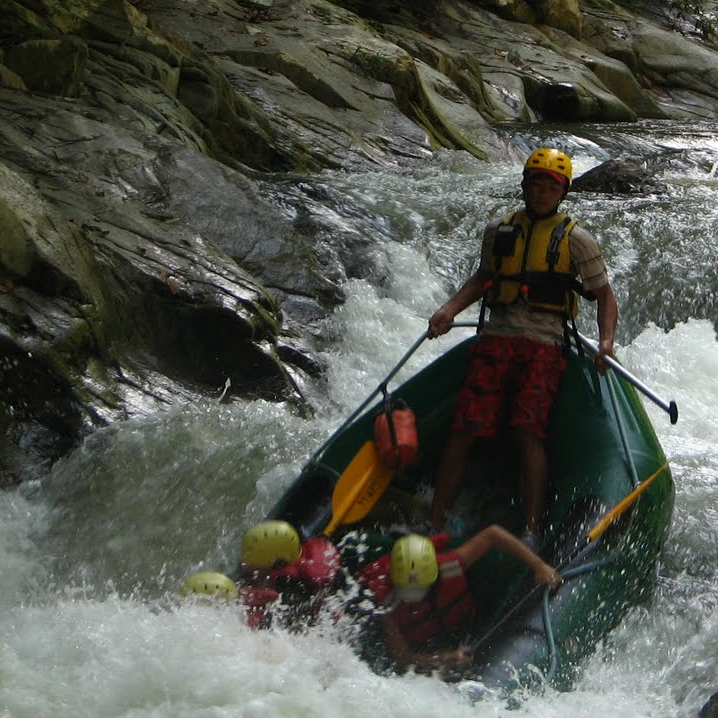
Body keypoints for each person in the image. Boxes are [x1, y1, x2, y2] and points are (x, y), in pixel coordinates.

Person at [425, 147, 617, 546]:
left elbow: (605, 296)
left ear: (562, 192)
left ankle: (531, 528)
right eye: (536, 183)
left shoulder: (577, 240)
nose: (542, 191)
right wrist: (449, 309)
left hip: (543, 346)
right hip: (496, 339)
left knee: (529, 432)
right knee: (465, 430)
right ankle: (435, 520)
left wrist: (606, 342)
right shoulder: (499, 230)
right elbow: (482, 278)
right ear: (525, 186)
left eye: (551, 185)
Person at [362, 527, 561, 673]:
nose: (413, 597)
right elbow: (402, 657)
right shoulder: (385, 602)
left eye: (419, 589)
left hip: (468, 632)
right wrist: (444, 659)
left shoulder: (449, 565)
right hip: (430, 653)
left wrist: (538, 565)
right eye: (407, 589)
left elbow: (492, 535)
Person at [236, 518, 341, 629]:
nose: (244, 564)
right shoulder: (308, 558)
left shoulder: (287, 586)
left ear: (276, 562)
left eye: (250, 562)